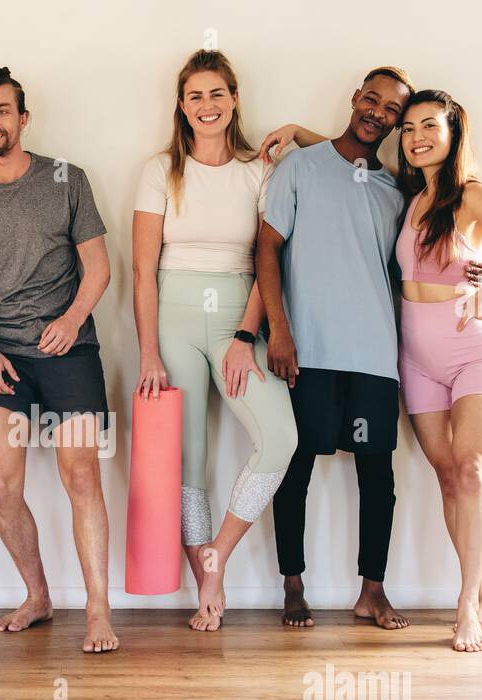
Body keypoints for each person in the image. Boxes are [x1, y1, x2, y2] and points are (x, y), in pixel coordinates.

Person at [260, 90, 482, 651]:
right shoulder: (406, 194)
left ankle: (467, 606)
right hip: (413, 355)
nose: (416, 137)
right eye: (408, 128)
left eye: (429, 126)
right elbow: (347, 161)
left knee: (471, 469)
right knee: (447, 475)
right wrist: (299, 132)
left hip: (468, 348)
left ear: (454, 133)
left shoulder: (471, 195)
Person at [0, 67, 118, 653]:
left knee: (81, 473)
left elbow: (99, 268)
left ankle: (98, 611)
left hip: (70, 352)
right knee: (0, 485)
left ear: (23, 117)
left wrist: (70, 320)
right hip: (2, 358)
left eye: (1, 111)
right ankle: (38, 596)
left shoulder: (67, 179)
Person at [132, 49, 298, 631]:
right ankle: (206, 580)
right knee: (188, 458)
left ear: (234, 100)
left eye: (217, 94)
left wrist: (244, 336)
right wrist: (148, 352)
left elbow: (268, 260)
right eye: (195, 96)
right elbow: (143, 271)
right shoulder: (160, 170)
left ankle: (217, 553)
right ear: (182, 106)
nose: (207, 105)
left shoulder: (261, 169)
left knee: (280, 437)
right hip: (173, 319)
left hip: (237, 317)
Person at [254, 67, 418, 631]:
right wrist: (279, 330)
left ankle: (372, 592)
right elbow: (267, 249)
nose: (378, 112)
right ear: (355, 98)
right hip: (309, 350)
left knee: (378, 478)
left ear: (397, 122)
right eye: (371, 99)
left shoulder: (395, 191)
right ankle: (292, 586)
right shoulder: (299, 167)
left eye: (391, 109)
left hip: (373, 352)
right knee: (295, 467)